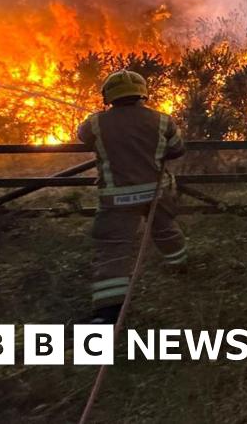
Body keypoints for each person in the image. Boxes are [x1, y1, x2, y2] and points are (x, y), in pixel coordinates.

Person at [76, 69, 187, 324]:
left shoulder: (95, 123)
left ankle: (107, 314)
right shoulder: (162, 120)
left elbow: (83, 136)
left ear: (109, 97)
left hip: (116, 200)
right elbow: (177, 149)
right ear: (142, 94)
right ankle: (180, 270)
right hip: (156, 195)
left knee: (113, 250)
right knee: (166, 231)